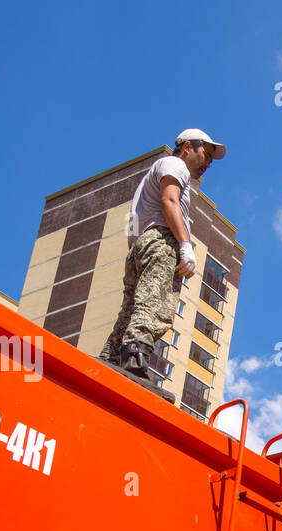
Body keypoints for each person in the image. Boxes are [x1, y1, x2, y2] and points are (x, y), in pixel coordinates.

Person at [100, 128, 225, 391]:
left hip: (142, 244)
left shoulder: (157, 173)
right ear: (188, 147)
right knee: (156, 301)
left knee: (132, 308)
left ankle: (111, 358)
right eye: (206, 154)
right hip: (161, 241)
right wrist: (184, 245)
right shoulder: (174, 164)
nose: (208, 163)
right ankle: (135, 359)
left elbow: (136, 223)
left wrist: (139, 250)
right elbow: (170, 201)